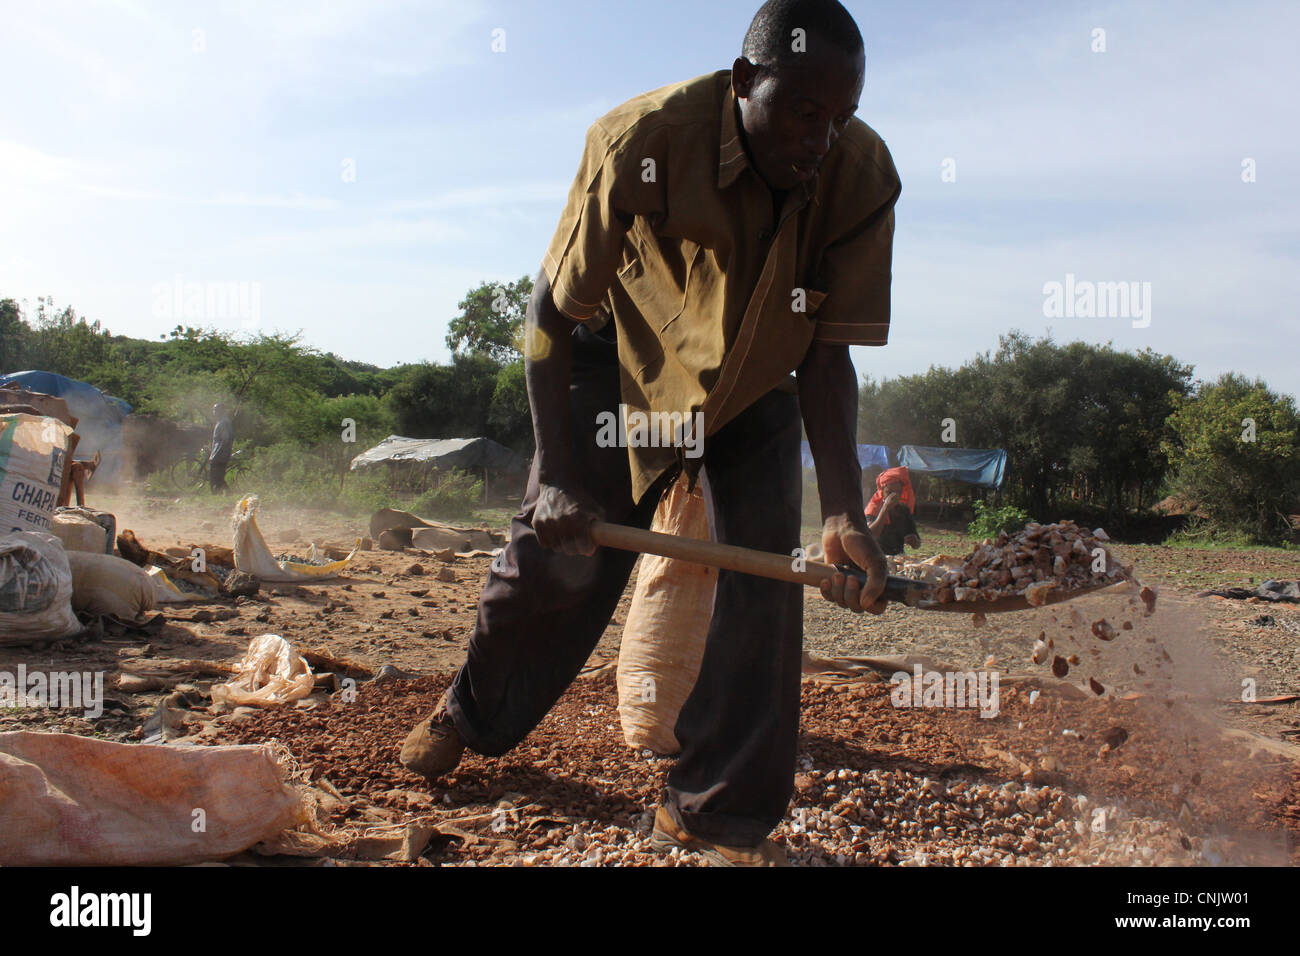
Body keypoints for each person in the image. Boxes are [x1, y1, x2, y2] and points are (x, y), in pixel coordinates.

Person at [400, 0, 901, 866]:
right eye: (805, 113)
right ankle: (469, 713)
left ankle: (712, 814)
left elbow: (825, 359)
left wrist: (846, 511)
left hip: (752, 387)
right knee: (552, 561)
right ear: (744, 82)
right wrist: (556, 471)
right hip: (619, 367)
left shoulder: (860, 178)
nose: (821, 140)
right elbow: (549, 318)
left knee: (766, 590)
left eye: (842, 117)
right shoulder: (642, 141)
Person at [865, 466, 921, 556]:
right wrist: (885, 508)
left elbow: (917, 544)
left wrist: (914, 542)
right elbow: (870, 536)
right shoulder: (873, 508)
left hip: (898, 556)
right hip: (875, 556)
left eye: (898, 492)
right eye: (890, 492)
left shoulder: (903, 510)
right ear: (882, 492)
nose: (894, 496)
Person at [209, 403, 234, 494]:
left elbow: (225, 440)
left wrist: (216, 453)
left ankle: (222, 491)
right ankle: (219, 492)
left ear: (221, 411)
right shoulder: (221, 421)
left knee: (216, 474)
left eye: (216, 410)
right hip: (218, 452)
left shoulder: (224, 422)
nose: (214, 412)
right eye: (214, 410)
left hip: (221, 454)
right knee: (217, 474)